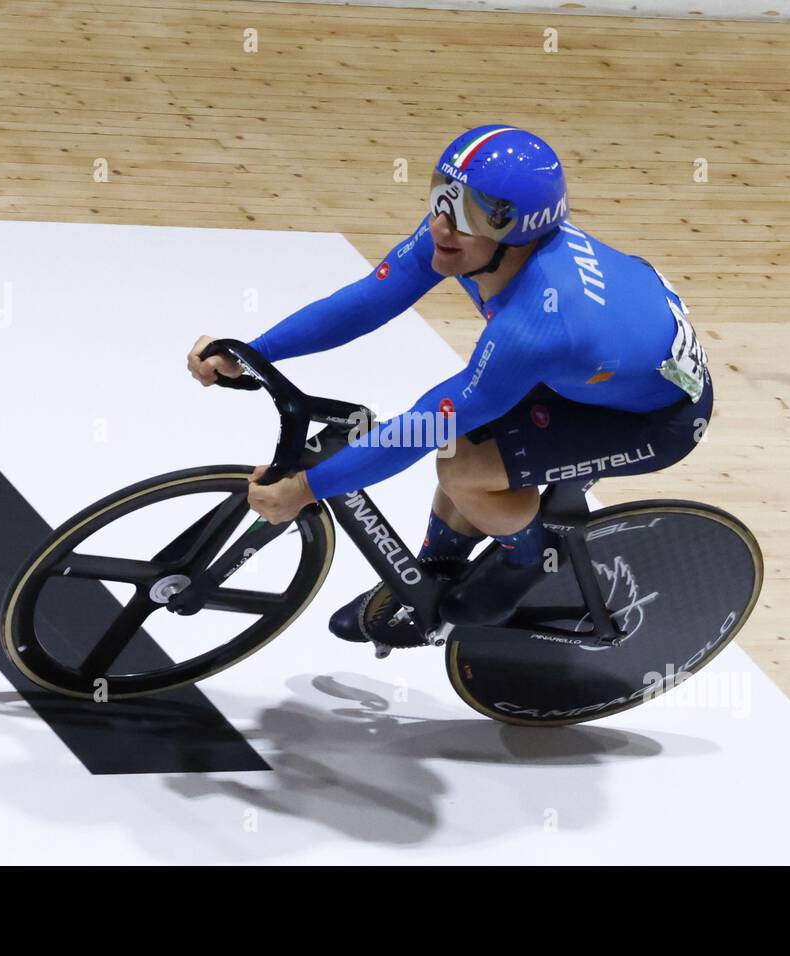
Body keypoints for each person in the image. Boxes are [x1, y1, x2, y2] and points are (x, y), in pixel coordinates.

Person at [188, 124, 711, 641]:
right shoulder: (468, 238)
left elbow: (427, 423)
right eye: (444, 195)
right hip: (599, 366)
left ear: (518, 231)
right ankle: (424, 583)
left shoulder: (538, 324)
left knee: (461, 465)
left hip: (651, 419)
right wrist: (254, 352)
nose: (443, 224)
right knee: (464, 449)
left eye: (468, 214)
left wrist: (306, 489)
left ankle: (525, 564)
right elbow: (369, 301)